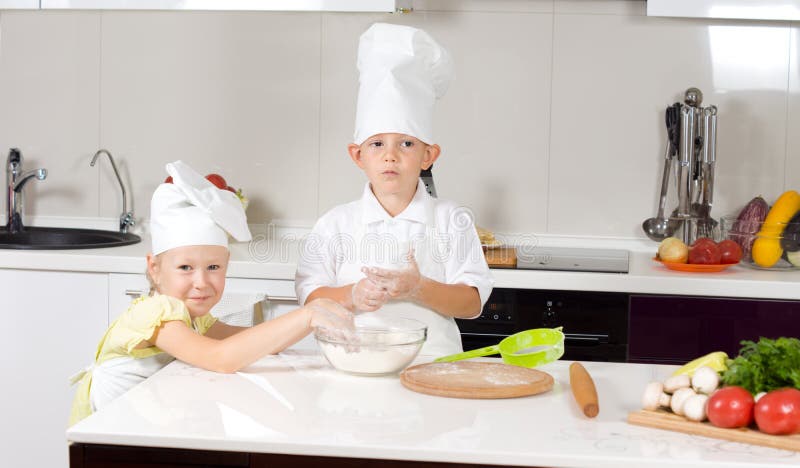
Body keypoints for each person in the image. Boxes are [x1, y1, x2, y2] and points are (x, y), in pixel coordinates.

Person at [69, 161, 353, 426]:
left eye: (213, 267)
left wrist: (318, 317)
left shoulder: (195, 319)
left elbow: (257, 341)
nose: (202, 281)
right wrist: (305, 316)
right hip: (108, 437)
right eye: (185, 267)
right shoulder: (155, 314)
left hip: (146, 427)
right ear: (154, 268)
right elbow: (221, 358)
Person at [295, 23, 494, 357]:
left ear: (428, 155)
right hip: (351, 372)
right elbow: (310, 298)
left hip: (432, 369)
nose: (390, 155)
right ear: (357, 155)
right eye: (376, 144)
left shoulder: (451, 220)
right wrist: (352, 295)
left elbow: (472, 303)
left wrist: (418, 288)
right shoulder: (335, 224)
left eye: (405, 143)